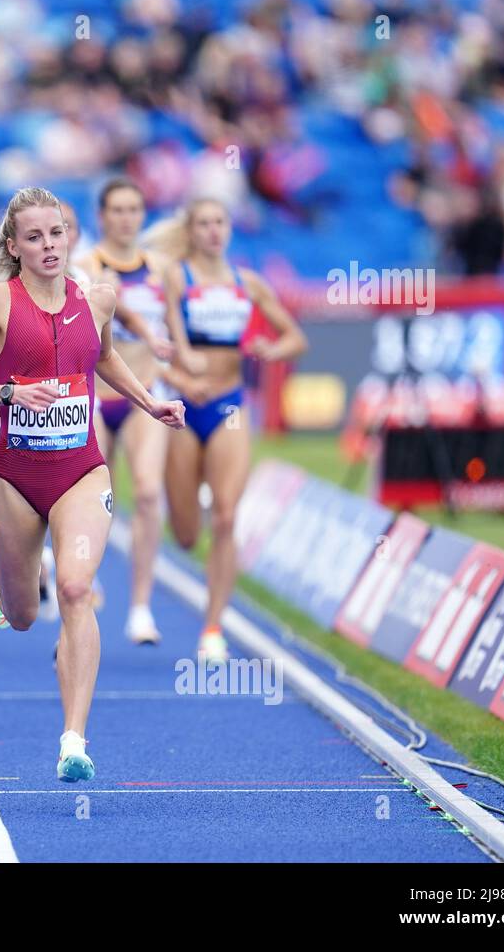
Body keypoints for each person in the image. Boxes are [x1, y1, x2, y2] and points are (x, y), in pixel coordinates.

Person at [0, 187, 185, 781]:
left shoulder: (97, 297)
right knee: (24, 615)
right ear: (14, 246)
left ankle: (74, 739)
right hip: (14, 476)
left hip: (80, 468)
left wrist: (150, 403)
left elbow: (100, 357)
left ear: (70, 237)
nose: (48, 246)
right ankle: (15, 588)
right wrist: (8, 392)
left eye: (57, 233)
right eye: (34, 237)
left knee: (77, 589)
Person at [159, 197, 307, 664]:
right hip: (184, 406)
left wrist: (270, 348)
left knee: (226, 517)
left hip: (230, 406)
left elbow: (297, 338)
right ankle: (189, 508)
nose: (213, 231)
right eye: (203, 223)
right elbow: (159, 344)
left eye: (220, 222)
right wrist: (183, 379)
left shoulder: (249, 283)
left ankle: (212, 627)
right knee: (185, 535)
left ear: (229, 229)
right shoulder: (175, 277)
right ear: (191, 230)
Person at [74, 179, 184, 645]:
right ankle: (84, 580)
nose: (125, 218)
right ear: (101, 216)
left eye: (134, 209)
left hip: (144, 392)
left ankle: (140, 606)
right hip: (97, 394)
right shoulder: (84, 266)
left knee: (147, 493)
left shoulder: (162, 268)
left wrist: (185, 366)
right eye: (116, 210)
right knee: (95, 497)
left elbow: (176, 334)